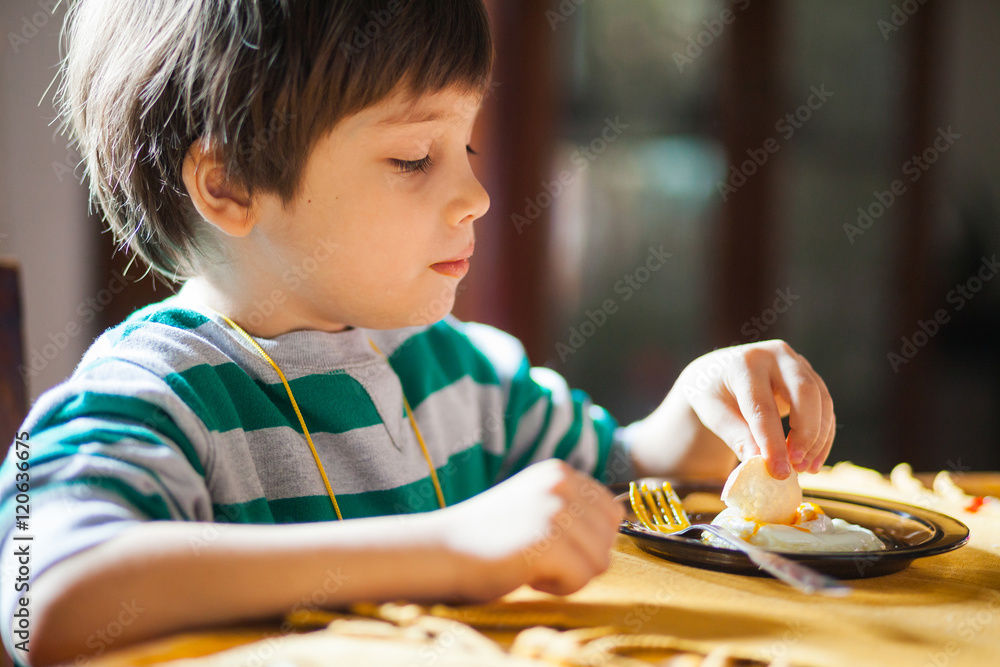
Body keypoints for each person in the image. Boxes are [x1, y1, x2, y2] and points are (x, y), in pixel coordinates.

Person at [0, 1, 835, 664]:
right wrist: (447, 547)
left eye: (464, 144)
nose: (475, 194)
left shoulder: (457, 372)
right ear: (229, 184)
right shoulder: (155, 394)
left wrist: (697, 418)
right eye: (413, 157)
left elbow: (613, 477)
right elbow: (40, 595)